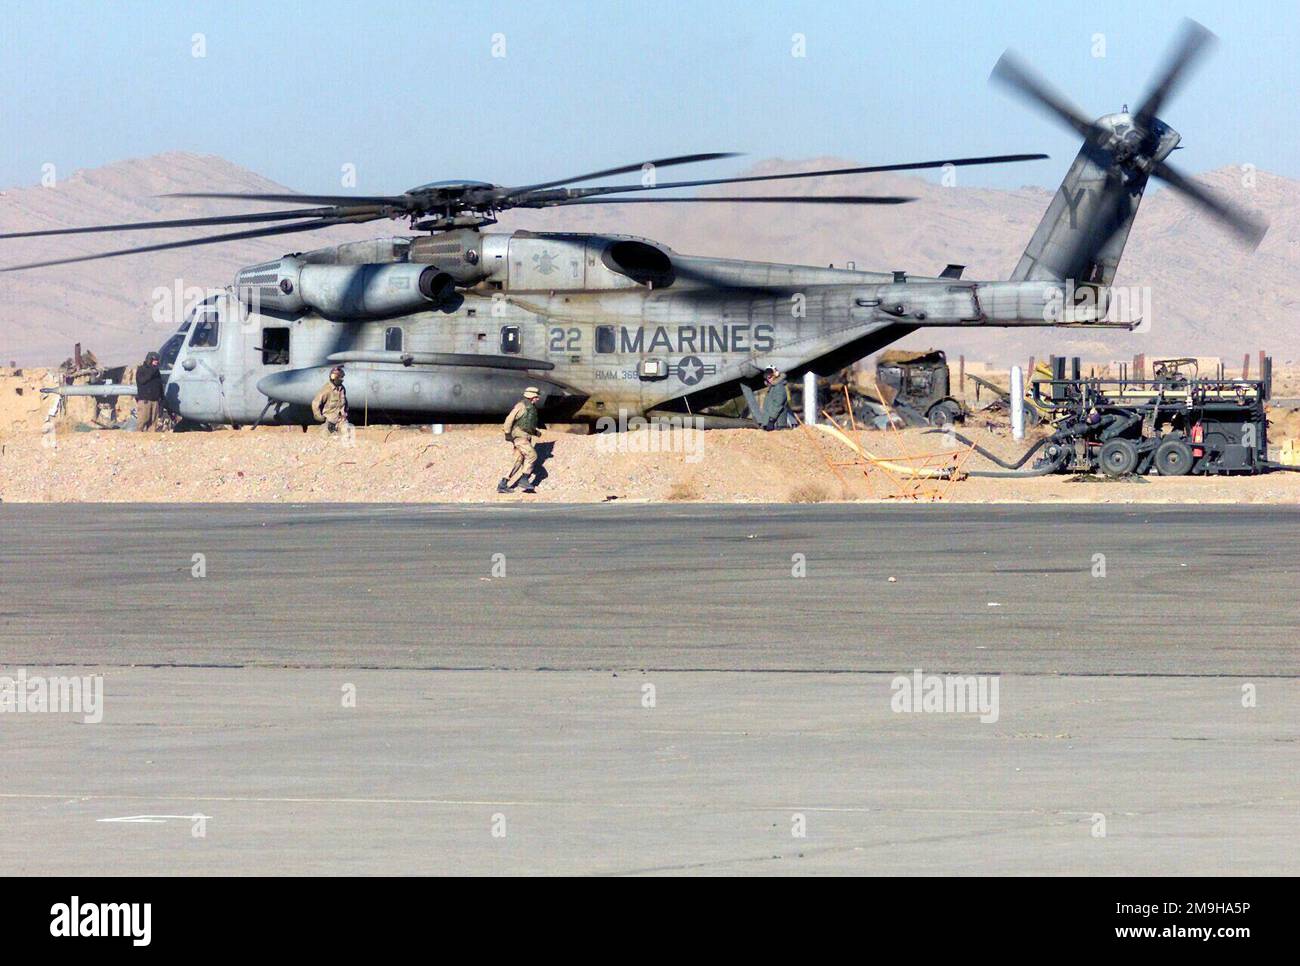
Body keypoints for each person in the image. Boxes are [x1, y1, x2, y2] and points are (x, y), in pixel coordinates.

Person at [499, 386, 542, 493]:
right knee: (532, 455)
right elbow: (510, 419)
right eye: (536, 396)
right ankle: (524, 479)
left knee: (517, 461)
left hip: (525, 436)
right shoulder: (521, 406)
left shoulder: (531, 408)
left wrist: (536, 432)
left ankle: (503, 484)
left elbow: (527, 424)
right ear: (531, 397)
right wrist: (507, 432)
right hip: (520, 436)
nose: (538, 399)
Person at [312, 366, 349, 436]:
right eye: (341, 377)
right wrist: (320, 417)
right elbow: (315, 403)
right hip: (329, 421)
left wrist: (345, 414)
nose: (342, 380)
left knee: (346, 436)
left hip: (341, 421)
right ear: (335, 377)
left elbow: (345, 402)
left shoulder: (342, 388)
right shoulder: (327, 390)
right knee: (326, 439)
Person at [134, 350, 164, 432]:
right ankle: (138, 438)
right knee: (142, 421)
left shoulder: (156, 371)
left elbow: (159, 385)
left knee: (153, 424)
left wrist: (162, 399)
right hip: (145, 401)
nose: (156, 363)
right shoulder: (141, 370)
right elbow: (142, 381)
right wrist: (152, 370)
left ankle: (150, 440)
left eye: (157, 361)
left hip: (155, 401)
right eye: (154, 360)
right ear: (150, 360)